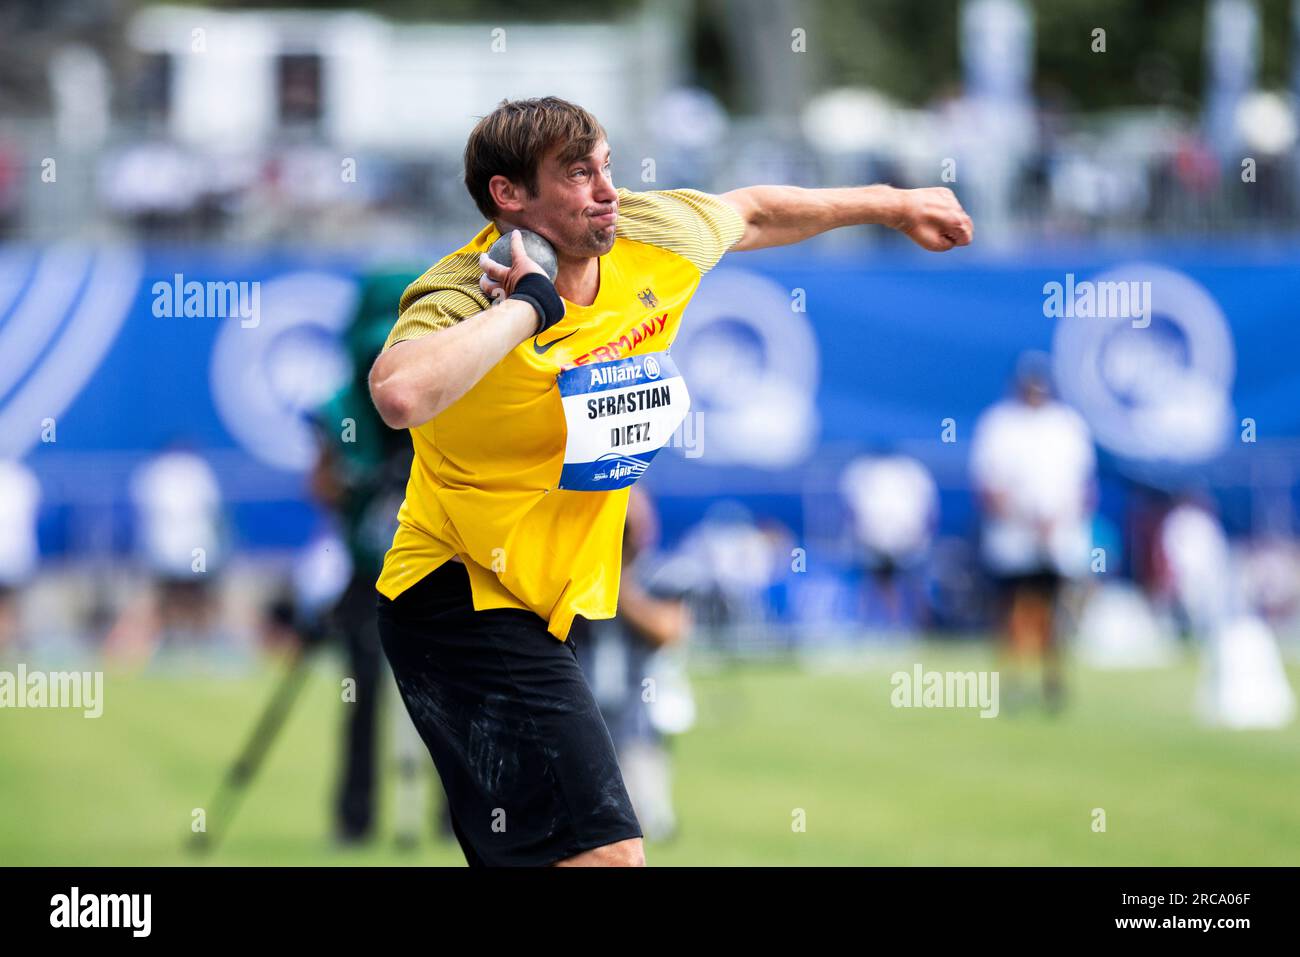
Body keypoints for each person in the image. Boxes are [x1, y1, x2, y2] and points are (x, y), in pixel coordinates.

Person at [368, 96, 972, 867]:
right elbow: (398, 394)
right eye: (577, 174)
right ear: (509, 196)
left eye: (607, 166)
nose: (606, 190)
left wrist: (891, 205)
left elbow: (751, 212)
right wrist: (529, 304)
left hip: (543, 602)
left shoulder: (649, 236)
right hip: (460, 598)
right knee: (610, 856)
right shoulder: (464, 289)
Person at [969, 352, 1095, 712]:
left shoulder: (1066, 426)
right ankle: (1009, 681)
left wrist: (1056, 520)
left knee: (1054, 611)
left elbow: (1082, 485)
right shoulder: (999, 425)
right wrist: (1023, 517)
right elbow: (989, 485)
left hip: (1058, 536)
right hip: (1013, 536)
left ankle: (1053, 680)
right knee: (1010, 609)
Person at [570, 487, 691, 843]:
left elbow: (670, 629)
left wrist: (619, 588)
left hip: (638, 710)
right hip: (585, 704)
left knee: (645, 822)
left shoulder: (659, 573)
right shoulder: (580, 572)